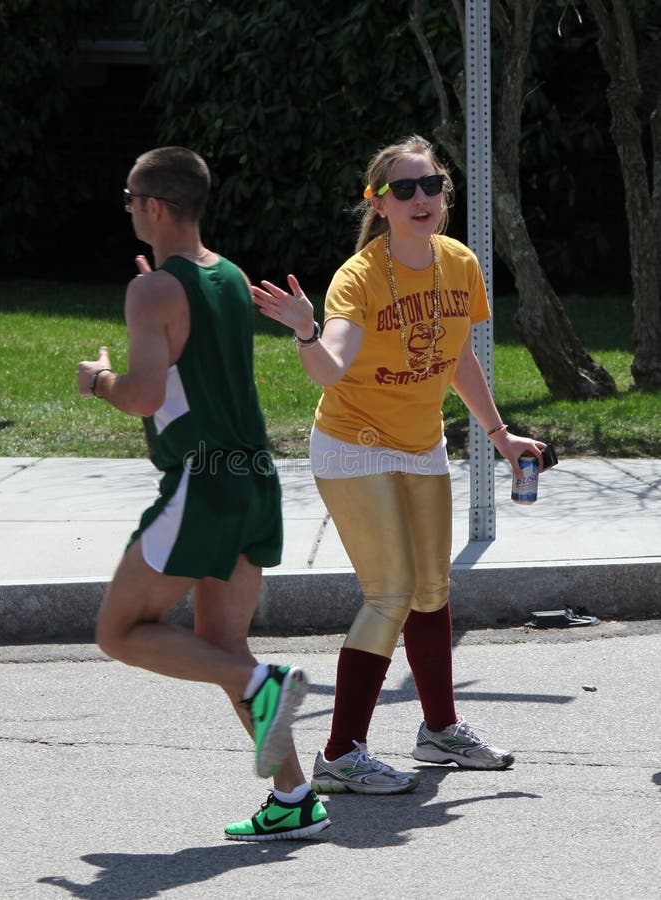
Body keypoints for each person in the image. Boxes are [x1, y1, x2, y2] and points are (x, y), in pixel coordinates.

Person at [252, 134, 547, 795]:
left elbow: (458, 359)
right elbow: (329, 366)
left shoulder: (459, 263)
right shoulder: (359, 277)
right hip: (354, 447)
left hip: (421, 445)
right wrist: (304, 328)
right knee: (390, 593)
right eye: (403, 189)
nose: (421, 199)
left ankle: (439, 731)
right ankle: (340, 752)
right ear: (379, 204)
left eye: (431, 185)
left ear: (445, 193)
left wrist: (500, 435)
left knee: (432, 588)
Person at [76, 146, 330, 840]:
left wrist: (97, 378)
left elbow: (146, 395)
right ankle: (295, 798)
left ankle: (263, 688)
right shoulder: (226, 275)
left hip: (204, 483)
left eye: (130, 198)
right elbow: (196, 364)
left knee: (119, 632)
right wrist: (156, 296)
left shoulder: (152, 291)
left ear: (154, 206)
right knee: (222, 645)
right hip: (255, 480)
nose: (127, 208)